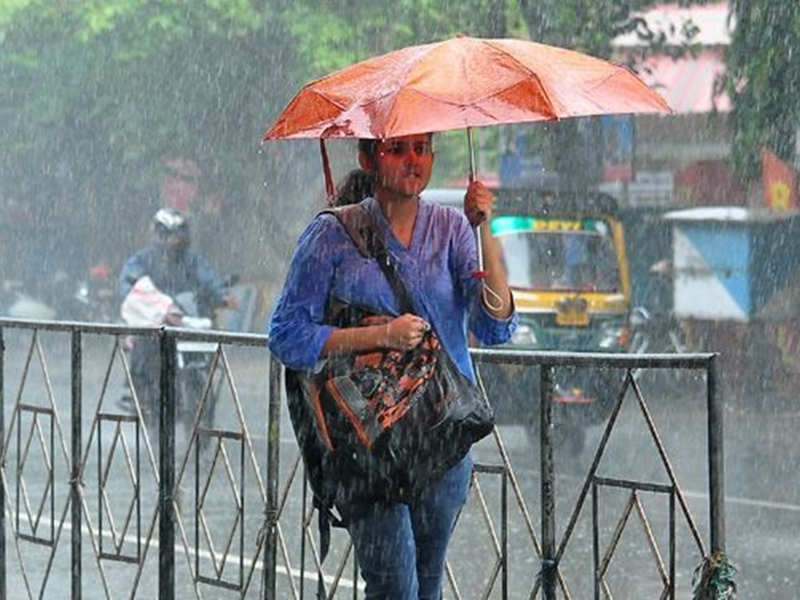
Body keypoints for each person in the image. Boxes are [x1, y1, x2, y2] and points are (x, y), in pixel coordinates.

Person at [268, 134, 518, 599]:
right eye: (397, 149)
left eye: (422, 149)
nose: (412, 161)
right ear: (367, 158)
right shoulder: (332, 235)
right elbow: (286, 335)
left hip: (442, 436)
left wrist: (485, 227)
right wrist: (378, 335)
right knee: (393, 586)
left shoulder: (451, 230)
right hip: (365, 446)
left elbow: (495, 326)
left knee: (426, 583)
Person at [118, 207, 234, 422]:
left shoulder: (191, 260)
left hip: (185, 321)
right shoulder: (144, 260)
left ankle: (196, 408)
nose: (177, 239)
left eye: (180, 233)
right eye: (172, 234)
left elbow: (208, 280)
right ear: (160, 235)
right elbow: (128, 282)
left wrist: (221, 295)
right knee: (141, 344)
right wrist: (143, 299)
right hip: (155, 324)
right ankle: (136, 394)